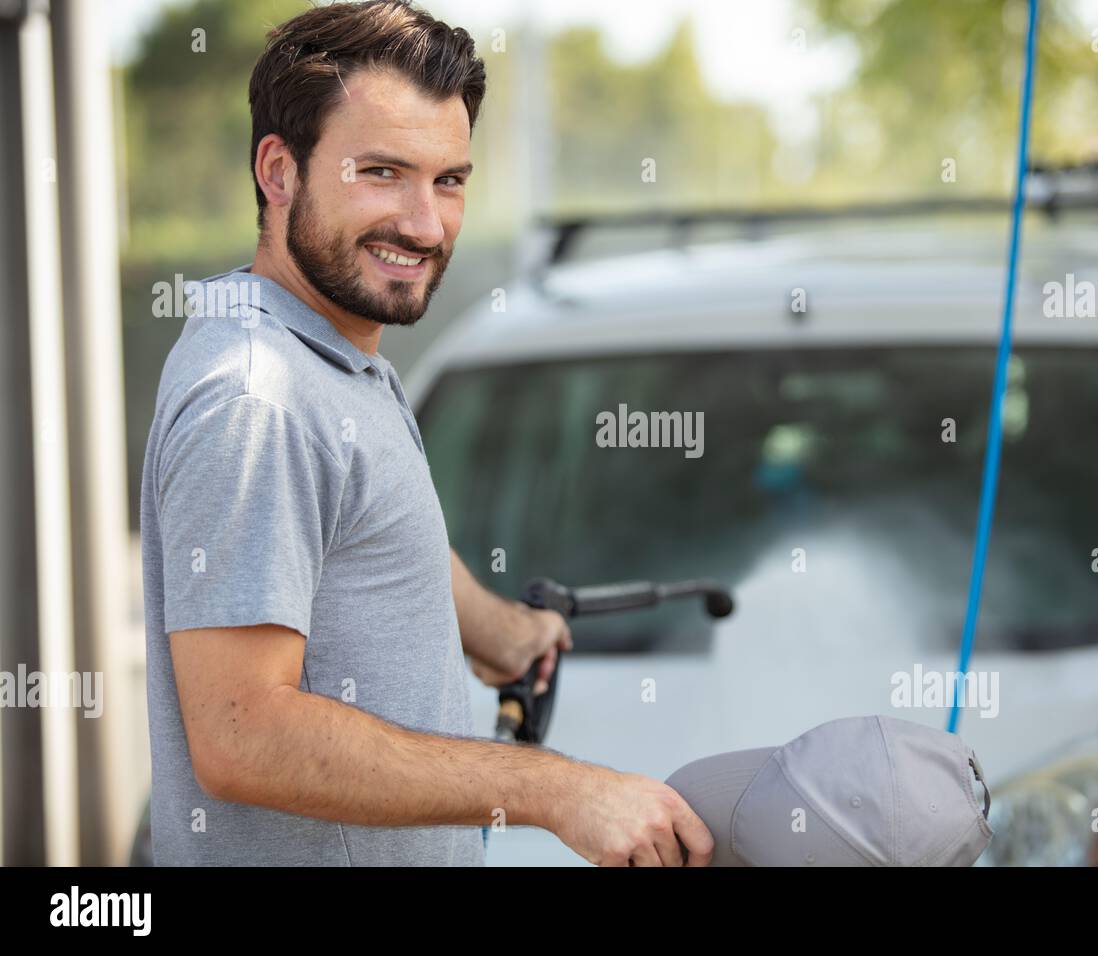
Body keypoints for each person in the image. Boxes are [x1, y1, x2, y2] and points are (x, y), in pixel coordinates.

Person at [140, 0, 712, 867]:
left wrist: (500, 631)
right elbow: (241, 733)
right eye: (381, 172)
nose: (424, 223)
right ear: (278, 170)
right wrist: (554, 789)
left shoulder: (333, 355)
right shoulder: (258, 400)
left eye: (448, 180)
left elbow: (358, 533)